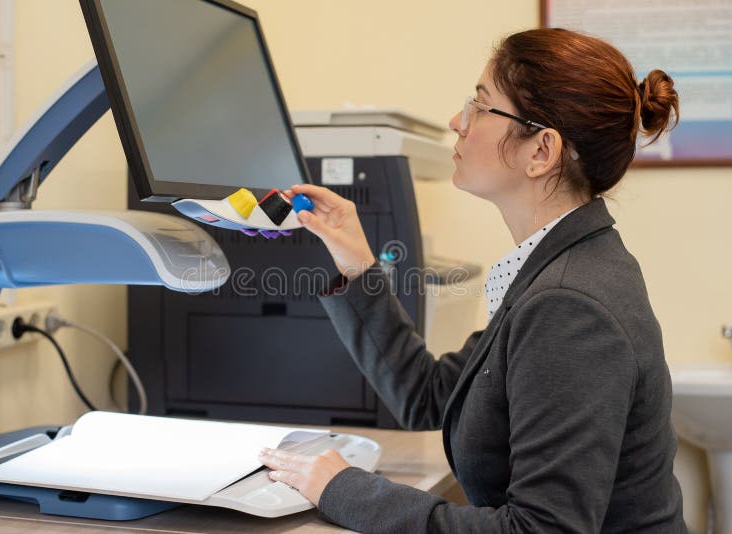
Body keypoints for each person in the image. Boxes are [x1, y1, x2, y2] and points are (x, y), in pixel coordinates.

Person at [258, 28, 686, 533]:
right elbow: (429, 394)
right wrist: (354, 260)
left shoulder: (569, 305)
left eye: (481, 107)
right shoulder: (558, 267)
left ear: (541, 151)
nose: (458, 122)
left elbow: (540, 530)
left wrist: (344, 488)